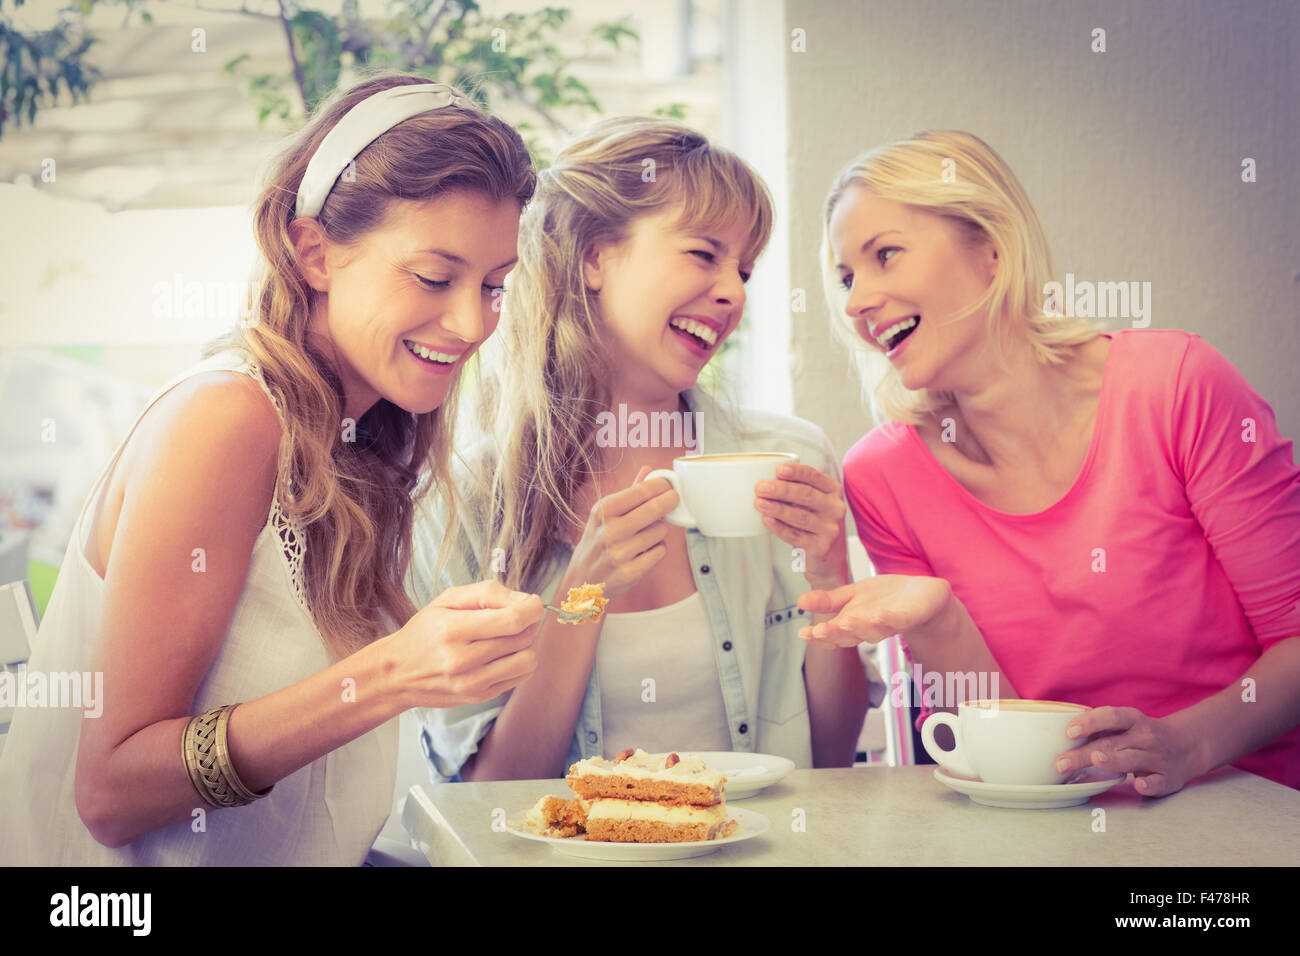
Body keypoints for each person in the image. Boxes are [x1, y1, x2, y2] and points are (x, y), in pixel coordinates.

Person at [0, 74, 543, 864]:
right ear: (314, 252)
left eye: (495, 286)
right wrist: (391, 672)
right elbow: (111, 794)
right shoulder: (227, 419)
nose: (472, 323)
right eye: (434, 277)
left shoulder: (361, 437)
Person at [799, 129, 1300, 794]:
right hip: (1044, 824)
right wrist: (939, 622)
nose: (857, 300)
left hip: (1243, 810)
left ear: (992, 251)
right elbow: (993, 750)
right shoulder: (881, 475)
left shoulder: (1176, 384)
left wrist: (1187, 745)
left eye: (885, 255)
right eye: (845, 277)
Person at [409, 117, 878, 782]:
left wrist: (835, 584)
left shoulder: (787, 459)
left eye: (744, 269)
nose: (734, 292)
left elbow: (831, 761)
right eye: (704, 254)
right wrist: (580, 600)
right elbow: (487, 795)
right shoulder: (468, 500)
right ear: (595, 256)